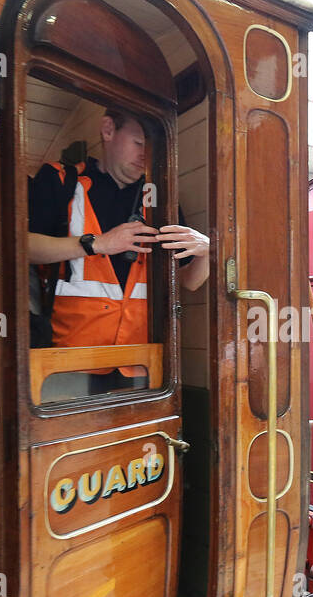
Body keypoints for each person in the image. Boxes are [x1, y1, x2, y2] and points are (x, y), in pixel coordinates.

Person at [29, 109, 210, 391]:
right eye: (139, 143)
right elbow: (25, 248)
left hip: (140, 366)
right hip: (67, 364)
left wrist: (207, 252)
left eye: (151, 148)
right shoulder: (59, 181)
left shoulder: (163, 201)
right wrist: (97, 243)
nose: (145, 155)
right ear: (108, 129)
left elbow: (191, 281)